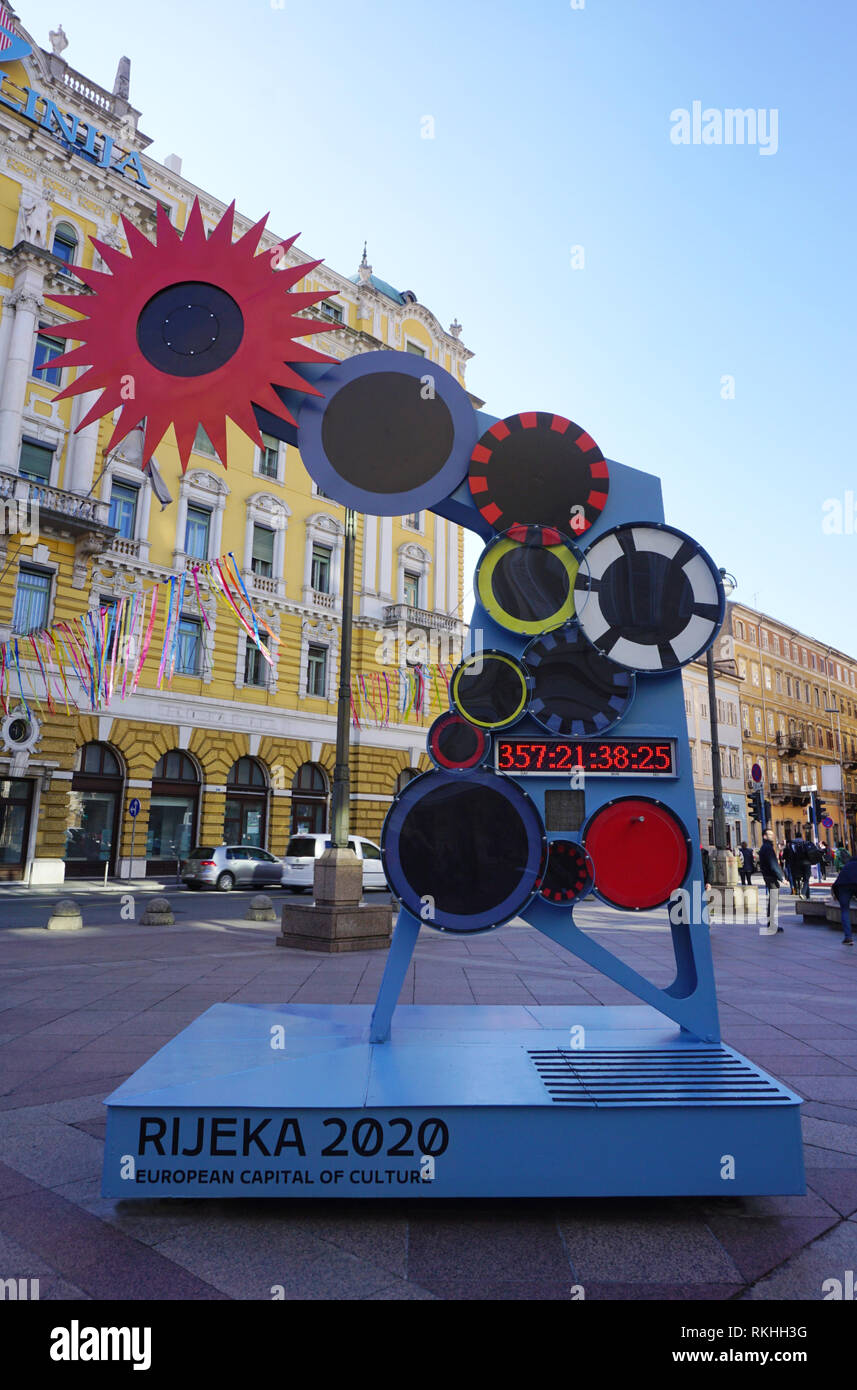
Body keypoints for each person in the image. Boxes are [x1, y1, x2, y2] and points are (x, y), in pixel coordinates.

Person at [759, 829, 785, 932]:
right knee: (773, 901)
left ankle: (771, 923)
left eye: (772, 834)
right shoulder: (768, 848)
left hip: (767, 876)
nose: (772, 836)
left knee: (772, 901)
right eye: (770, 834)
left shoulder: (764, 847)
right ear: (765, 836)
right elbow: (773, 864)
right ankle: (772, 924)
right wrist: (781, 877)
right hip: (771, 877)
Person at [831, 854, 857, 945]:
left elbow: (838, 881)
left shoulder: (847, 865)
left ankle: (848, 937)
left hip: (842, 886)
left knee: (845, 910)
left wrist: (835, 894)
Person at [790, 835, 812, 900]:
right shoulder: (805, 843)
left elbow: (791, 856)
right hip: (807, 863)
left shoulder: (792, 844)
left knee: (799, 878)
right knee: (806, 879)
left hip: (797, 864)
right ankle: (804, 893)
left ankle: (802, 892)